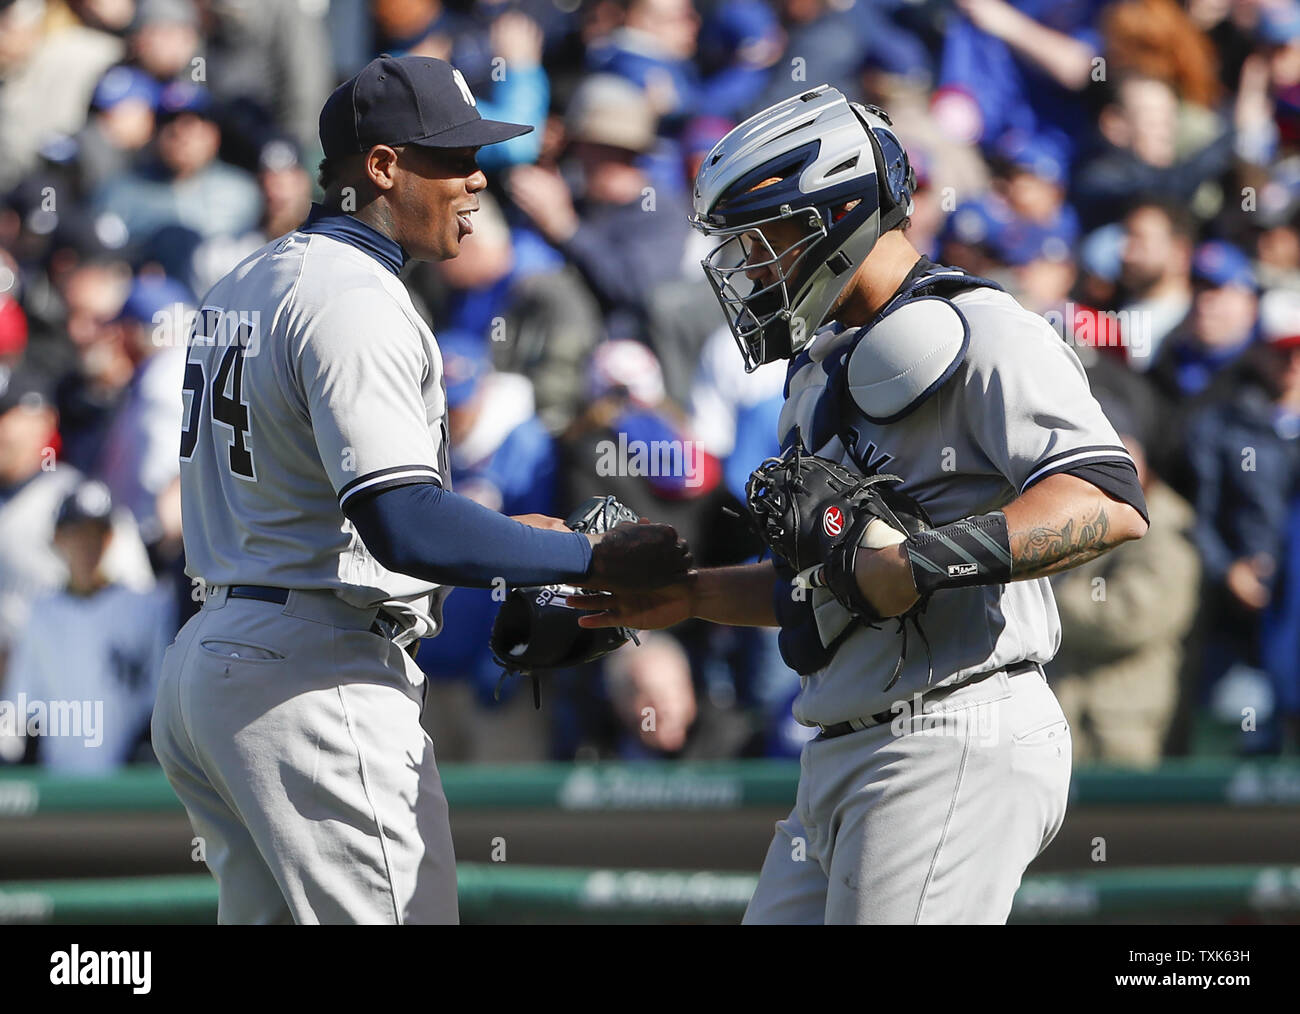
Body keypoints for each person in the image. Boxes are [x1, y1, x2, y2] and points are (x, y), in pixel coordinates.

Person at [574, 85, 1149, 924]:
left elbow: (1104, 496)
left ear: (837, 214)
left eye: (766, 240)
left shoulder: (986, 327)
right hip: (842, 750)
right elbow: (826, 584)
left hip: (953, 727)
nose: (752, 269)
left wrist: (919, 562)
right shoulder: (817, 369)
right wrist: (692, 595)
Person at [149, 55, 690, 926]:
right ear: (382, 165)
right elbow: (404, 525)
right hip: (311, 673)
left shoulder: (244, 282)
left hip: (219, 659)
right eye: (451, 157)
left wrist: (503, 534)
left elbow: (333, 507)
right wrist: (589, 556)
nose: (478, 177)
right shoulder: (355, 297)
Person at [0, 481, 169, 772]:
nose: (86, 545)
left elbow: (159, 701)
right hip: (61, 786)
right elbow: (19, 707)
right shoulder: (40, 613)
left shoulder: (150, 606)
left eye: (95, 534)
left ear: (110, 538)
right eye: (75, 534)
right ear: (57, 539)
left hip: (130, 786)